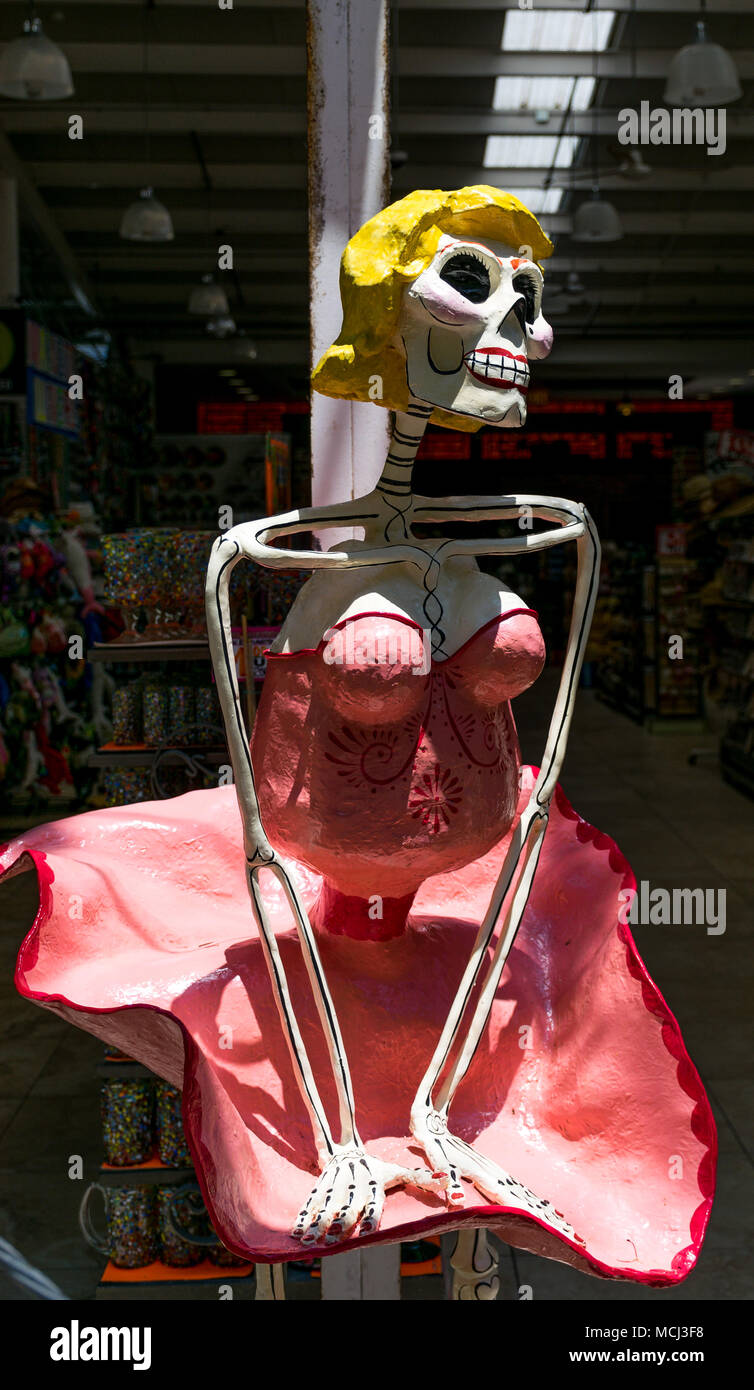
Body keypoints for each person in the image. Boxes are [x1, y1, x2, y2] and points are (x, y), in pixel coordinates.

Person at [2, 189, 715, 1285]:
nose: (519, 324)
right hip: (318, 882)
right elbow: (259, 828)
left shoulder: (548, 533)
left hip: (458, 882)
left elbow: (545, 756)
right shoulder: (264, 559)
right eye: (472, 285)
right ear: (390, 314)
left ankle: (434, 1109)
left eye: (525, 296)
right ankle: (339, 1132)